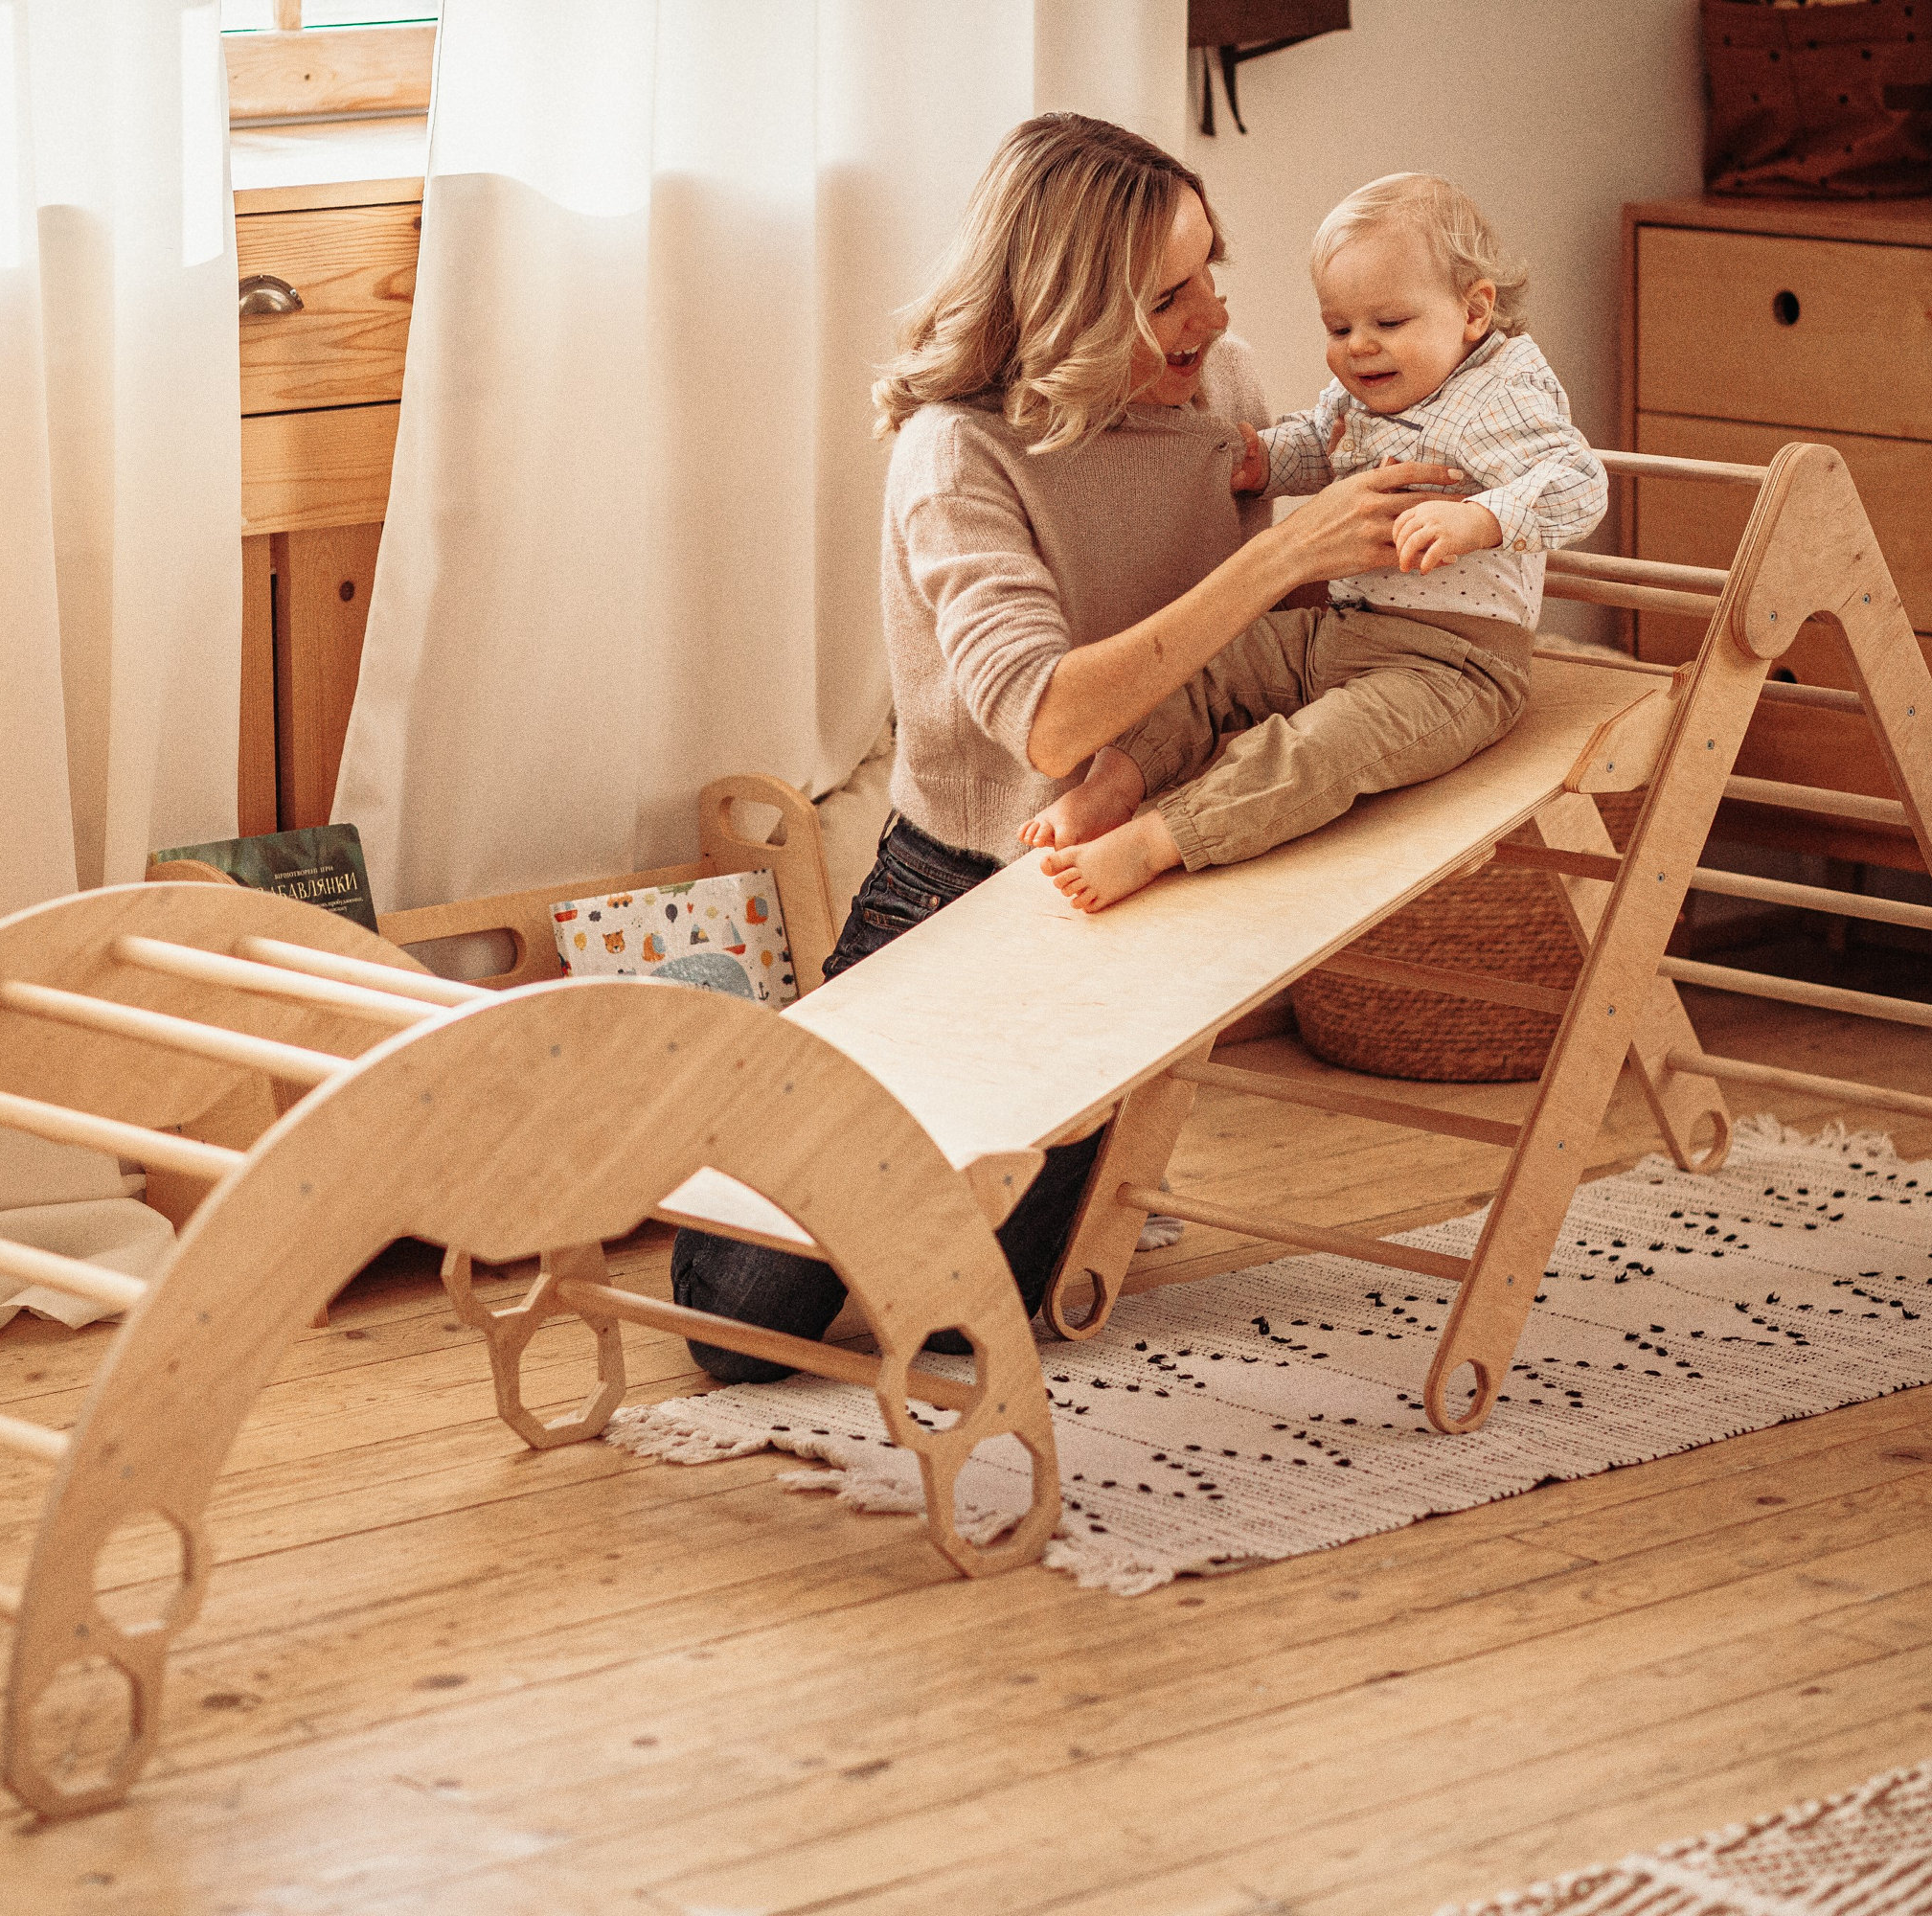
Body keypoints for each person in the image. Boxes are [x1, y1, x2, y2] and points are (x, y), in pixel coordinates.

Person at [670, 116, 1459, 1380]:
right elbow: (1042, 718)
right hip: (957, 882)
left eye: (1211, 270)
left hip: (1129, 882)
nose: (1213, 316)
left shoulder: (1226, 389)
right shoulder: (958, 450)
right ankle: (806, 1086)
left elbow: (1287, 645)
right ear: (1072, 314)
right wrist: (1275, 559)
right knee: (737, 1322)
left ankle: (965, 1145)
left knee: (970, 1311)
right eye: (1168, 297)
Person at [1027, 171, 1605, 913]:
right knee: (1214, 663)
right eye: (1338, 329)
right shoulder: (1373, 388)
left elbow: (1579, 482)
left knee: (1318, 751)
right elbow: (1323, 441)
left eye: (1388, 322)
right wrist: (1268, 461)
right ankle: (1115, 781)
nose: (1360, 348)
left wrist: (1480, 520)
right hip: (1343, 629)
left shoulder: (1501, 395)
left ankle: (1162, 838)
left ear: (1473, 311)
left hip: (1453, 665)